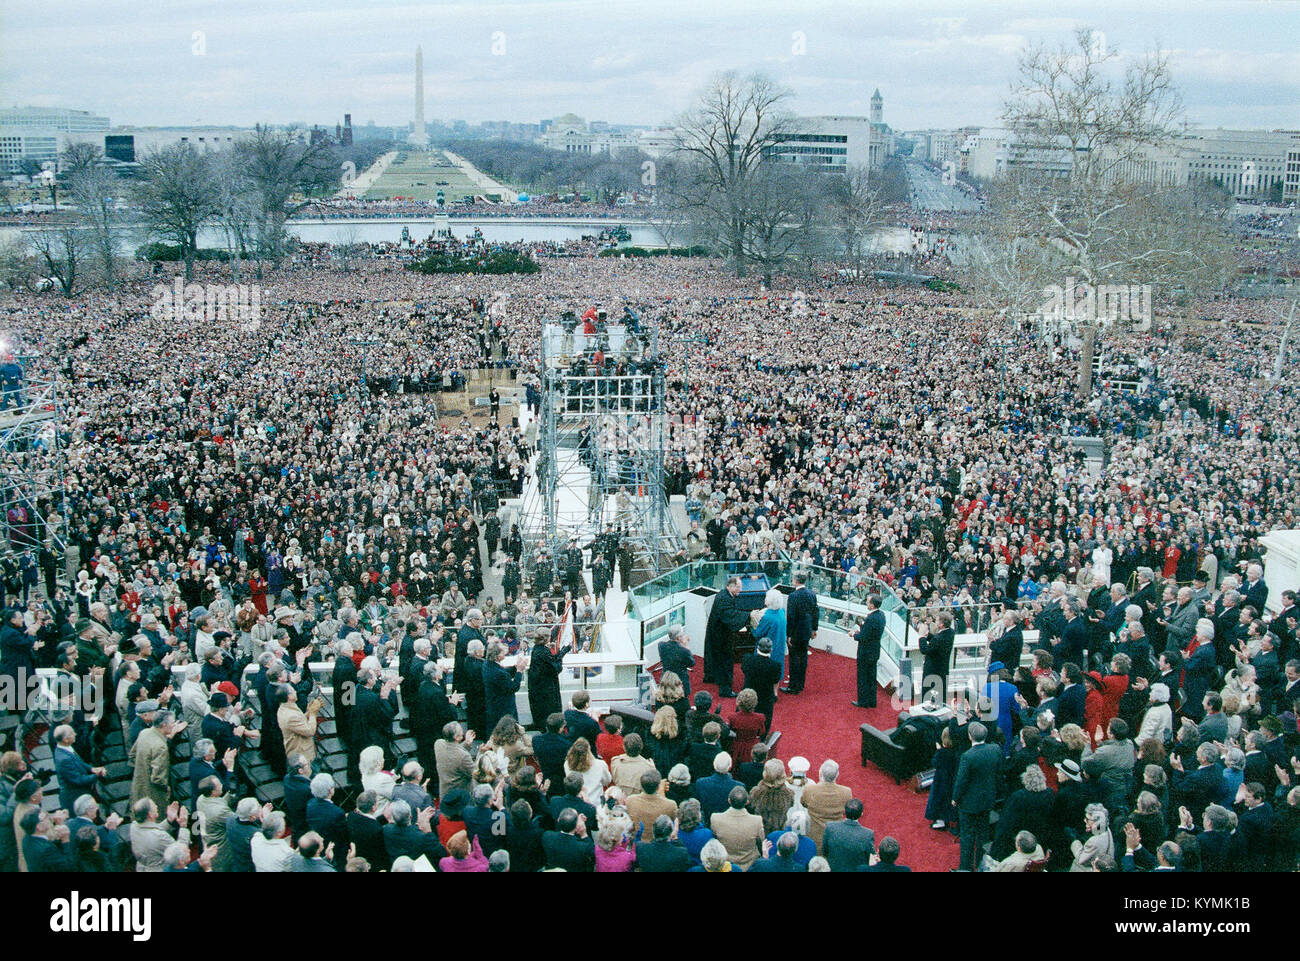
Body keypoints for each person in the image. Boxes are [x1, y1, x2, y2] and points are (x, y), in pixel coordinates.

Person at [952, 721, 1001, 871]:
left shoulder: (968, 756)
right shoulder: (996, 749)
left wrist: (955, 798)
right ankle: (981, 865)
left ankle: (964, 868)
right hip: (987, 800)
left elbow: (961, 781)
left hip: (968, 804)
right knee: (983, 835)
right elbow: (999, 773)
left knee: (967, 837)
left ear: (970, 736)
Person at [703, 576, 750, 697]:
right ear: (731, 586)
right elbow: (730, 615)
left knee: (717, 658)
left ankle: (712, 677)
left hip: (717, 633)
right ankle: (725, 689)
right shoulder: (725, 598)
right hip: (721, 636)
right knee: (725, 660)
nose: (740, 590)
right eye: (739, 587)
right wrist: (749, 615)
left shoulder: (724, 595)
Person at [801, 758, 854, 853]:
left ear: (820, 774)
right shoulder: (846, 792)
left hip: (814, 837)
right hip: (836, 837)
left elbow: (804, 803)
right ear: (837, 775)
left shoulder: (809, 789)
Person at [710, 785, 764, 870]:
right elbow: (761, 841)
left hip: (726, 864)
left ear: (729, 801)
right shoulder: (757, 821)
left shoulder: (715, 818)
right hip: (749, 865)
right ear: (747, 802)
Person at [783, 573, 818, 694]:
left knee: (793, 658)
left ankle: (793, 686)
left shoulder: (793, 596)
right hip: (806, 631)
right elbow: (815, 612)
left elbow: (791, 617)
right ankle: (800, 684)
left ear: (796, 581)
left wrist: (789, 635)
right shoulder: (812, 594)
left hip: (796, 632)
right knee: (803, 657)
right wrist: (814, 629)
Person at [822, 798, 875, 873]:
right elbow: (870, 858)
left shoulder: (830, 827)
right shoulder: (868, 834)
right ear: (861, 814)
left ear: (845, 812)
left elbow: (825, 851)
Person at [741, 637, 782, 732]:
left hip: (748, 694)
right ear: (771, 649)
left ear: (757, 648)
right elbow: (775, 681)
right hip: (765, 698)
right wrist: (775, 694)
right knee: (764, 722)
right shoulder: (775, 666)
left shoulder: (747, 659)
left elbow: (744, 670)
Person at [853, 595, 885, 707]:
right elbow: (872, 632)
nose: (867, 604)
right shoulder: (881, 615)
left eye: (868, 602)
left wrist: (854, 634)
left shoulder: (871, 618)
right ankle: (872, 701)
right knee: (871, 677)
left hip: (865, 652)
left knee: (863, 676)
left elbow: (863, 637)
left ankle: (863, 701)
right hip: (875, 650)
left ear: (872, 605)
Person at [752, 588, 788, 685]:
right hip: (779, 645)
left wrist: (752, 620)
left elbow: (757, 633)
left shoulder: (767, 617)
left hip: (766, 648)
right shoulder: (781, 611)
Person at [658, 625, 695, 698]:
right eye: (683, 635)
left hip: (666, 677)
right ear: (678, 638)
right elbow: (692, 663)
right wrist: (686, 646)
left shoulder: (661, 645)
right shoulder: (684, 651)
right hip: (680, 680)